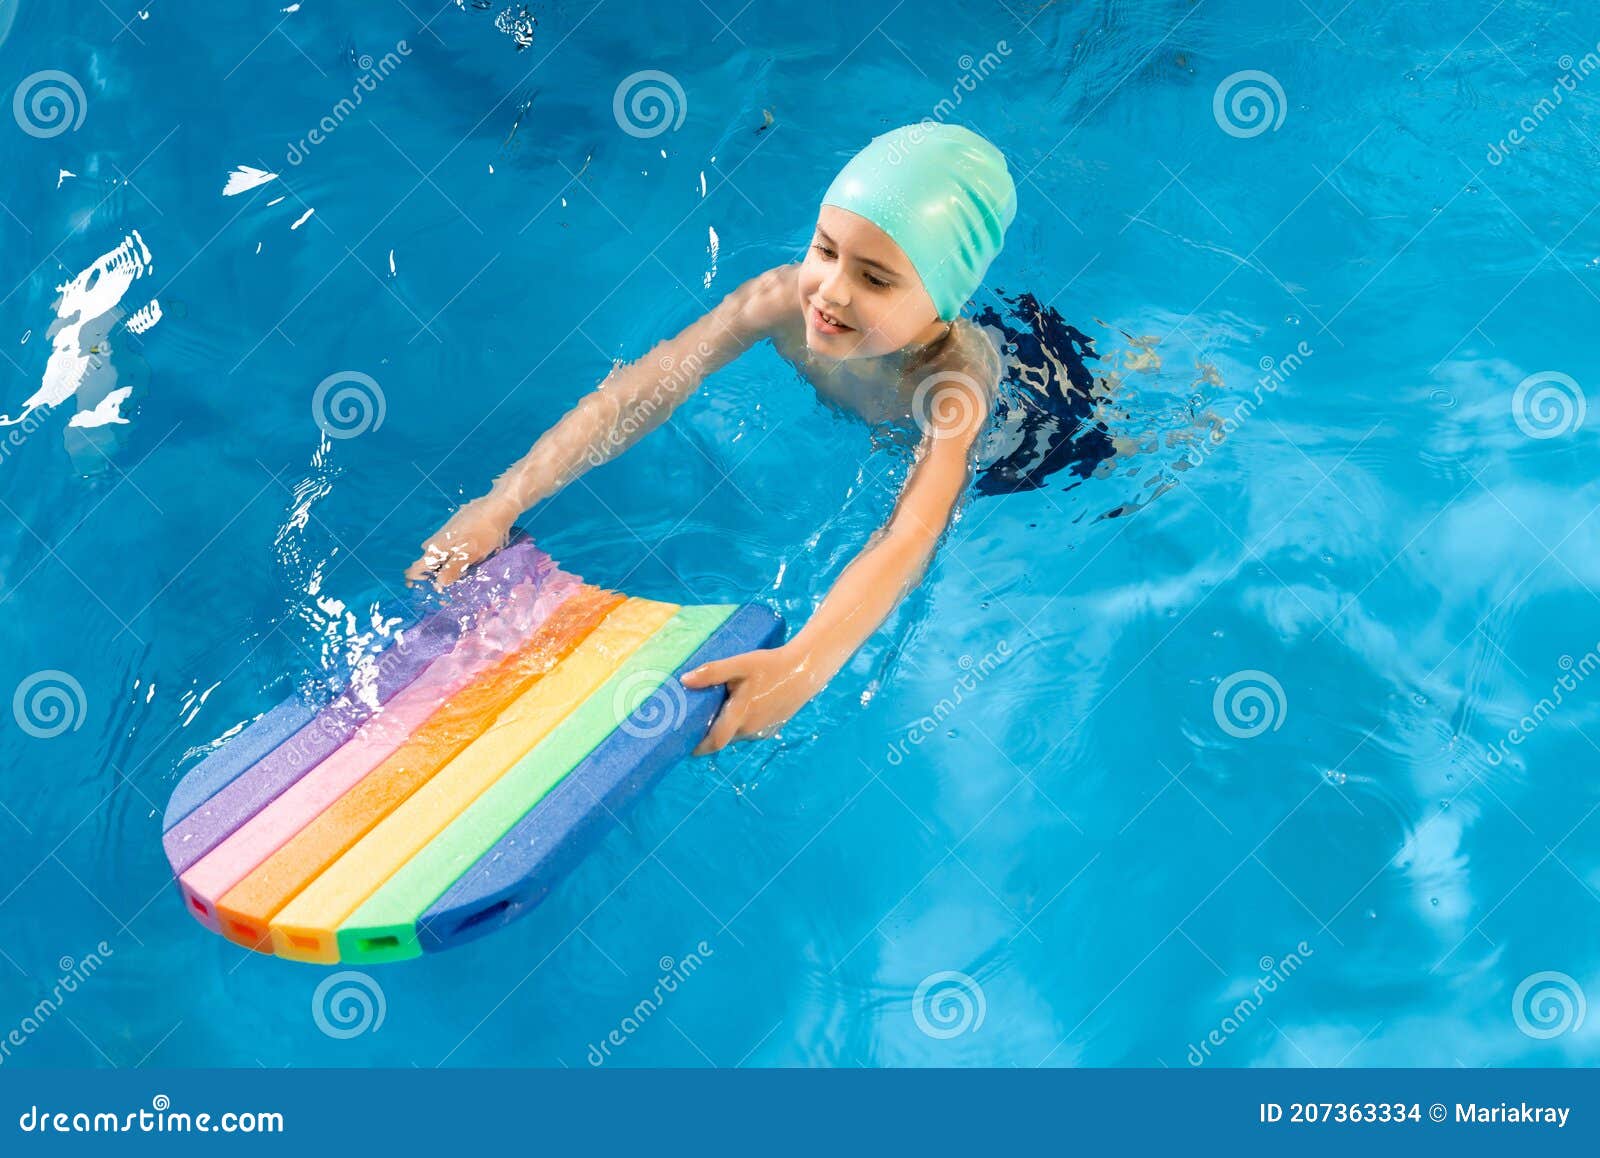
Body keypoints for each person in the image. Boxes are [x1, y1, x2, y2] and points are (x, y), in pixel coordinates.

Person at [406, 122, 1016, 754]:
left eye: (876, 279)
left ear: (943, 303)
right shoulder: (781, 299)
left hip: (1030, 444)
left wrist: (803, 664)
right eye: (826, 249)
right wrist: (502, 502)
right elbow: (647, 385)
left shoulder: (953, 388)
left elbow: (911, 532)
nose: (831, 290)